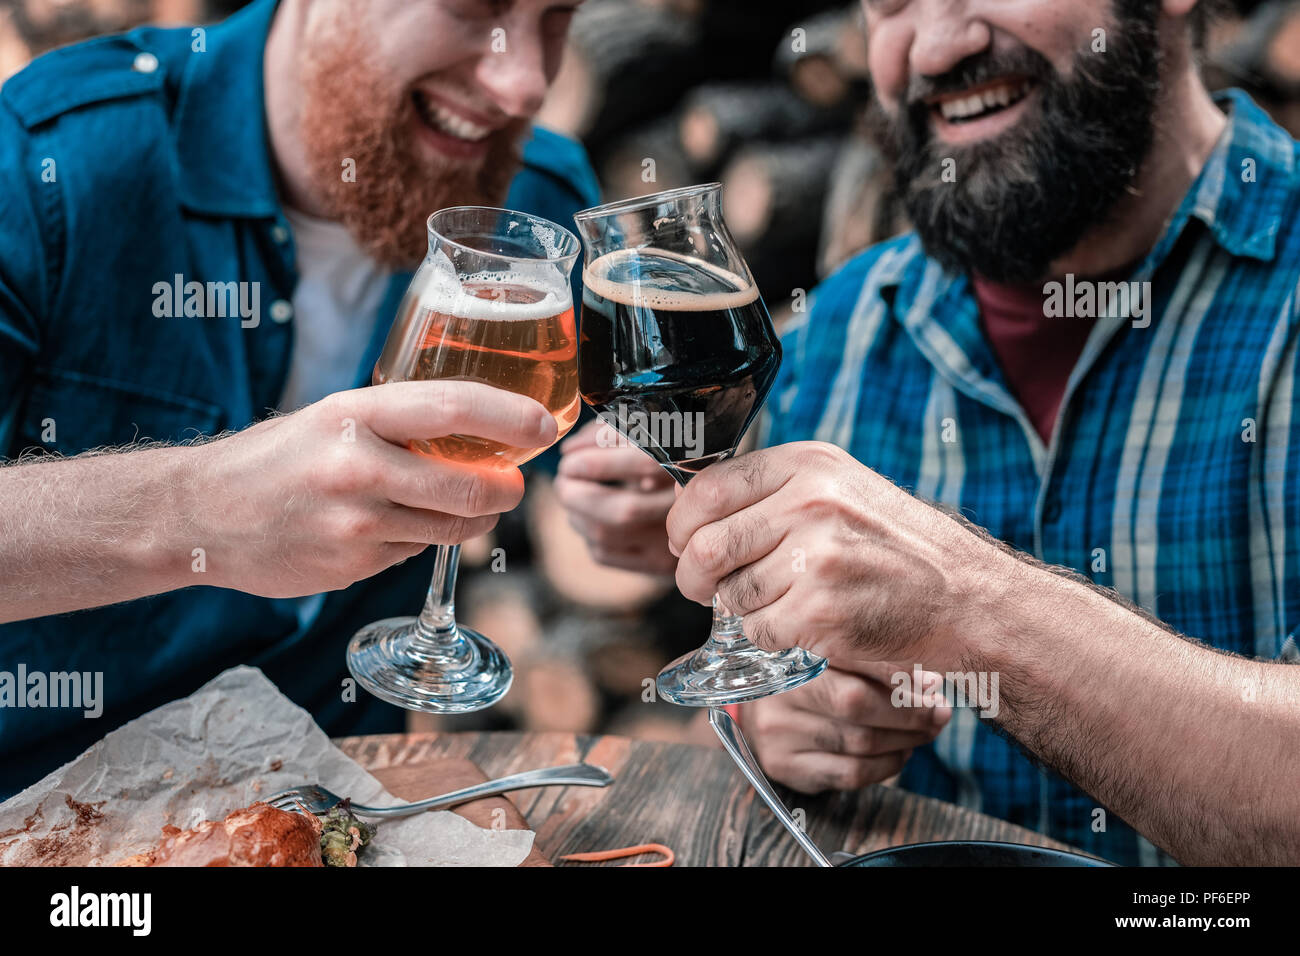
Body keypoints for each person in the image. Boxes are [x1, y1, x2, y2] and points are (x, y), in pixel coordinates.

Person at [556, 0, 1300, 865]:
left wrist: (966, 605)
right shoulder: (847, 323)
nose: (938, 45)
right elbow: (787, 678)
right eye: (892, 4)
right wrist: (788, 716)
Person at [0, 0, 597, 798]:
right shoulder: (55, 158)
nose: (525, 82)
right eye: (473, 7)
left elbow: (590, 458)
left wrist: (625, 514)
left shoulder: (538, 208)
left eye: (558, 17)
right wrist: (196, 509)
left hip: (325, 822)